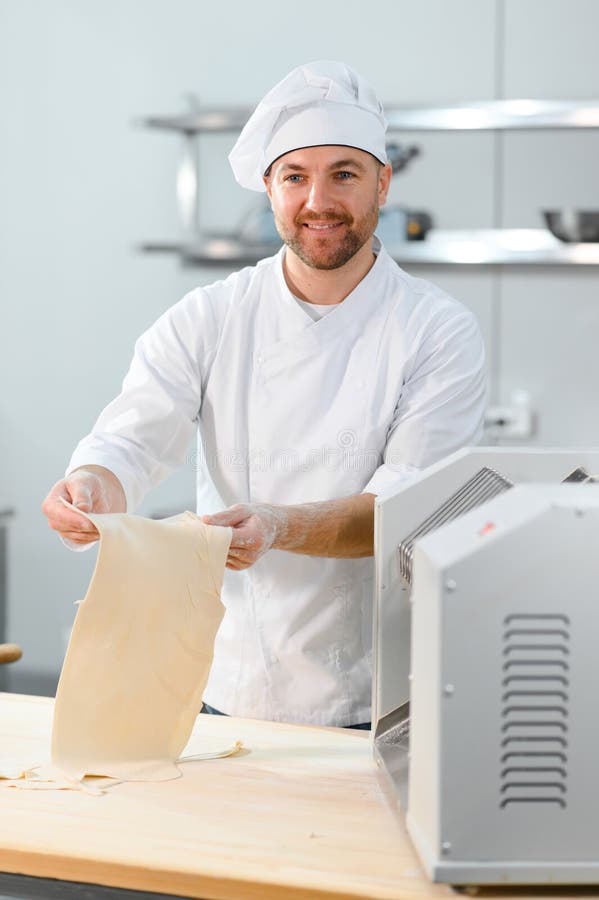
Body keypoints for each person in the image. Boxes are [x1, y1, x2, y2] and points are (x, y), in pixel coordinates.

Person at [42, 61, 486, 729]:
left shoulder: (436, 330)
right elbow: (132, 435)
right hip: (225, 681)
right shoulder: (212, 314)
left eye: (343, 173)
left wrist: (278, 527)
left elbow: (403, 509)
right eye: (294, 177)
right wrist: (92, 483)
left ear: (382, 183)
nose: (318, 202)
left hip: (375, 695)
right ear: (268, 188)